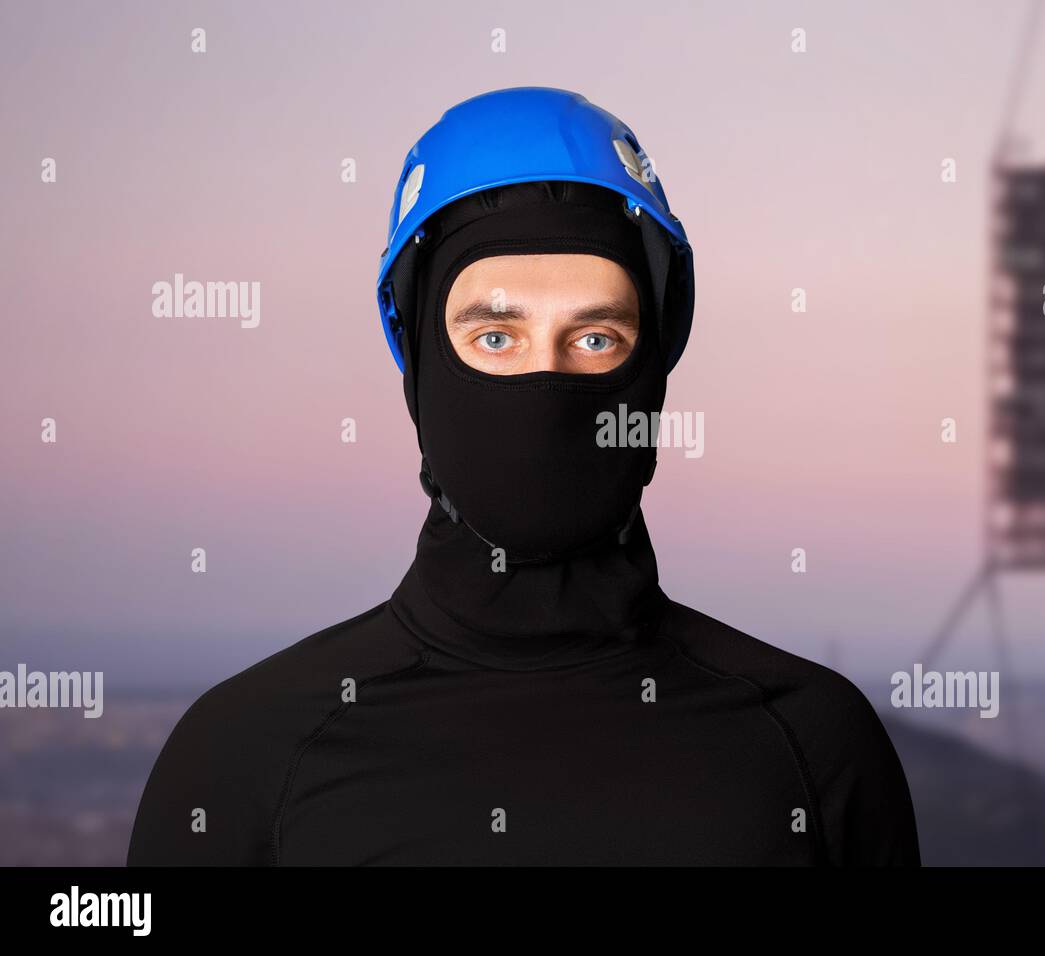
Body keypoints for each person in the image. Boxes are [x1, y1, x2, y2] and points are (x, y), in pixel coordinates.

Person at [127, 86, 920, 866]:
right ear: (422, 371)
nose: (549, 384)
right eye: (496, 339)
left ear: (654, 373)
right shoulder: (244, 759)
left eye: (598, 338)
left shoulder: (815, 746)